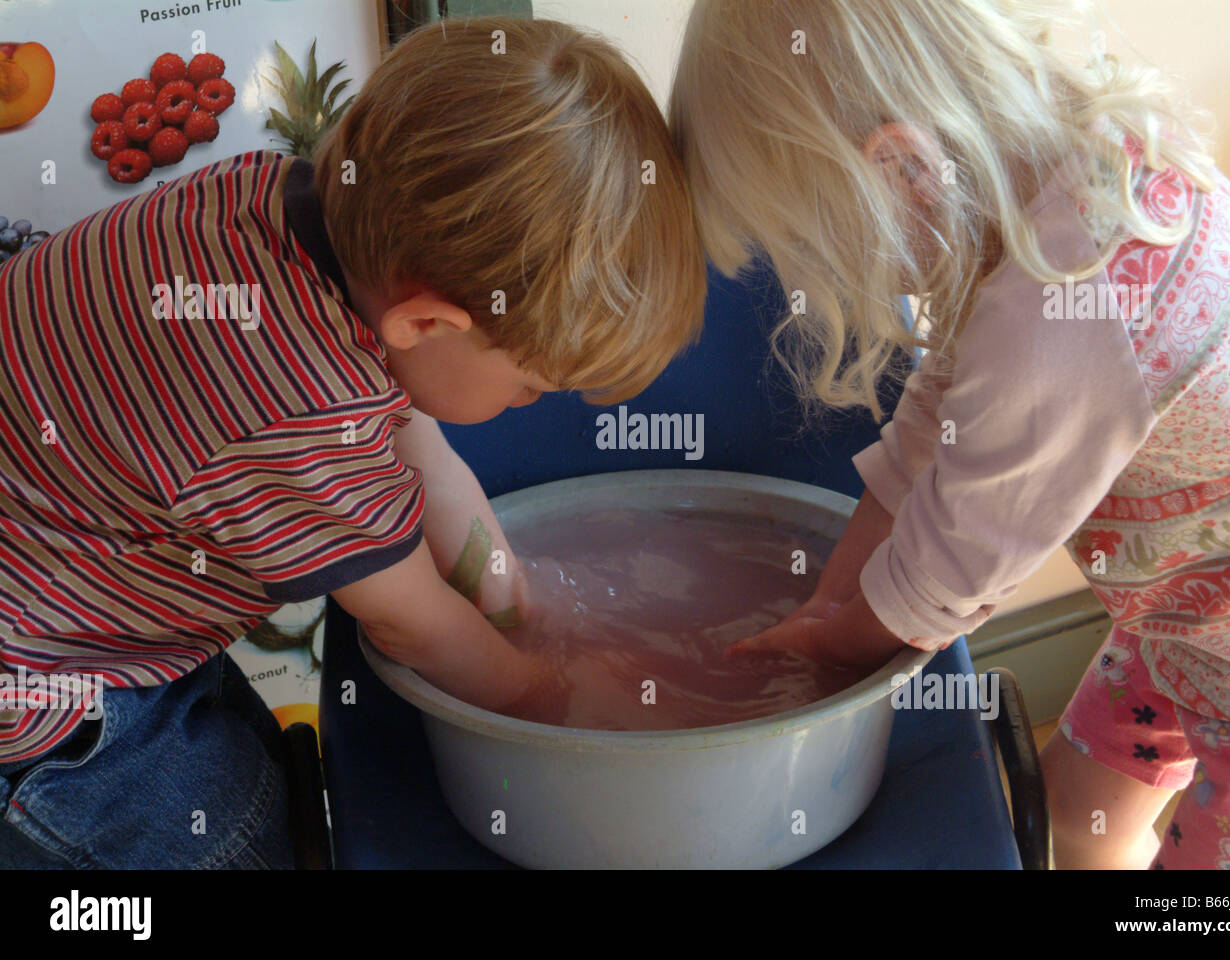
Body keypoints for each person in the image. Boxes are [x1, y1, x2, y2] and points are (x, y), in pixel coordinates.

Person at [0, 17, 705, 868]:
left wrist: (519, 600)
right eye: (531, 386)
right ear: (424, 322)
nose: (527, 404)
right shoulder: (288, 414)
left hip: (73, 551)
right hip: (47, 688)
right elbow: (416, 627)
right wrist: (547, 689)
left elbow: (424, 455)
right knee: (244, 844)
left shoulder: (268, 199)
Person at [671, 0, 1230, 869]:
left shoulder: (1072, 309)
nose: (817, 275)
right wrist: (830, 598)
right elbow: (938, 415)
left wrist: (838, 643)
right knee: (1077, 813)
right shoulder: (1052, 190)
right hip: (1194, 617)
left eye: (811, 245)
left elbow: (951, 571)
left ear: (899, 170)